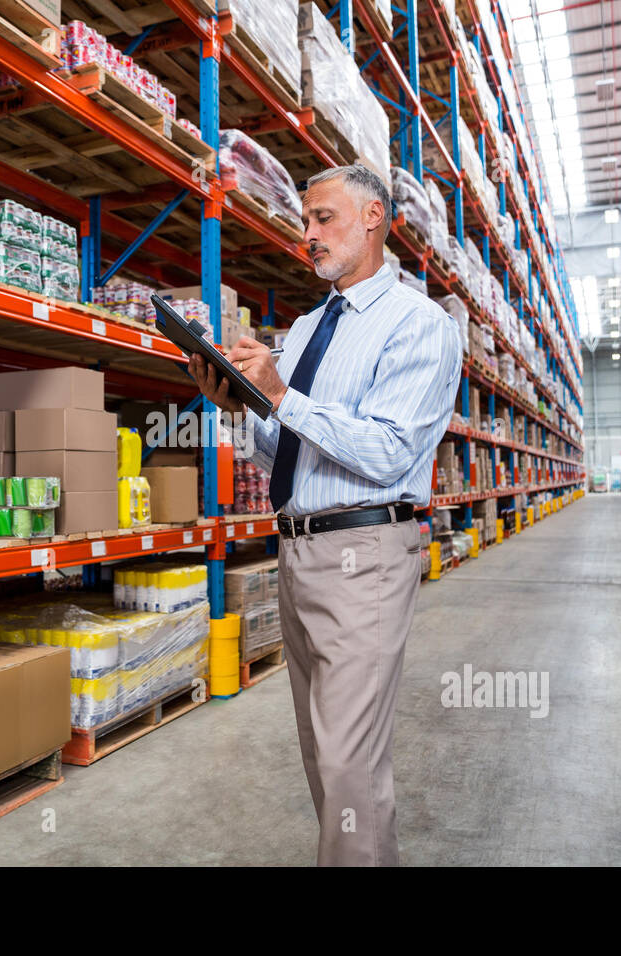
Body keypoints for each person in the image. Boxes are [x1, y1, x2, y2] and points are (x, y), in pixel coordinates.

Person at [188, 163, 462, 866]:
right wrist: (242, 405)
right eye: (305, 221)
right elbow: (290, 448)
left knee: (347, 761)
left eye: (323, 218)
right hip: (299, 550)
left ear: (375, 217)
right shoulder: (310, 327)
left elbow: (388, 449)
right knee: (322, 751)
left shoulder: (420, 325)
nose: (307, 235)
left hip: (363, 556)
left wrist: (282, 394)